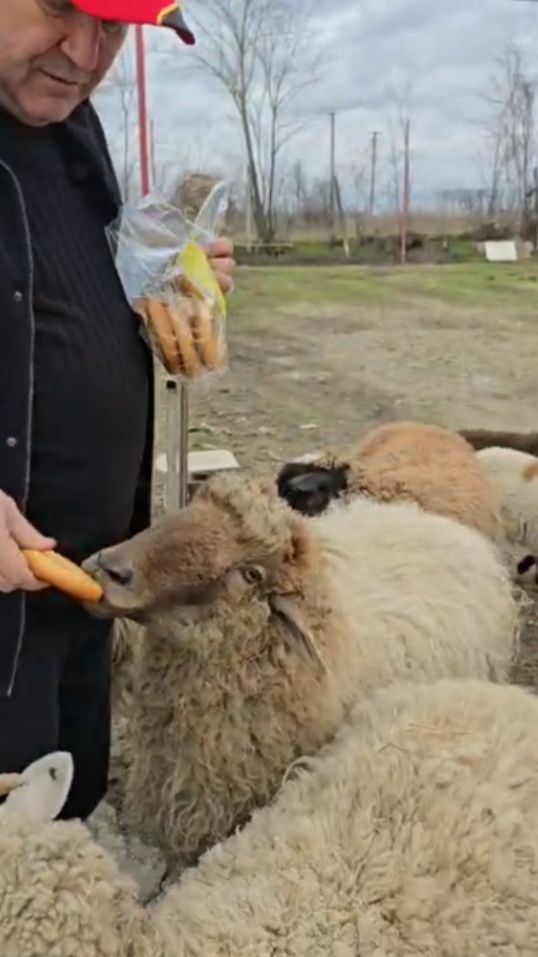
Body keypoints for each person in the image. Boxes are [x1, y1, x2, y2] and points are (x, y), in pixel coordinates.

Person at [0, 0, 236, 820]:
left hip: (83, 585)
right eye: (62, 10)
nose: (85, 52)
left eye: (113, 26)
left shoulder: (71, 126)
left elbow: (68, 281)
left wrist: (166, 275)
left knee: (72, 812)